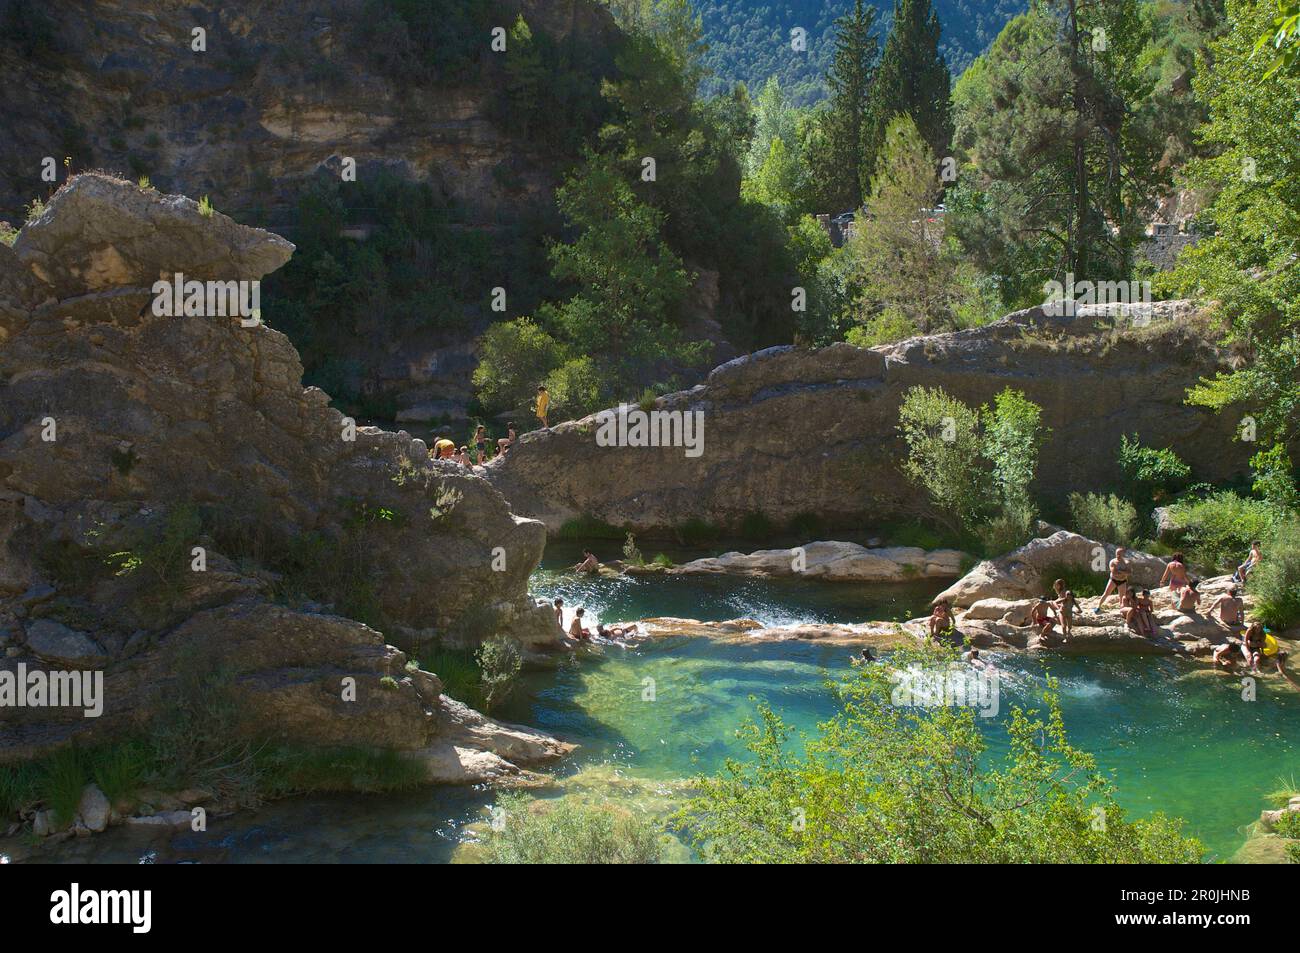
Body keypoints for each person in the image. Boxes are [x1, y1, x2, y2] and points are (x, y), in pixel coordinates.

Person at [1095, 547, 1131, 612]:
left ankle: (1121, 609)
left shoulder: (1127, 562)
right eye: (1117, 554)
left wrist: (1120, 571)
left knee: (1122, 596)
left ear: (1123, 554)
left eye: (1120, 554)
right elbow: (1114, 573)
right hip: (1113, 580)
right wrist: (1123, 572)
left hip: (1122, 581)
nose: (1118, 555)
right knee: (1106, 593)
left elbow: (1129, 573)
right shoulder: (1113, 562)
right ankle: (1098, 606)